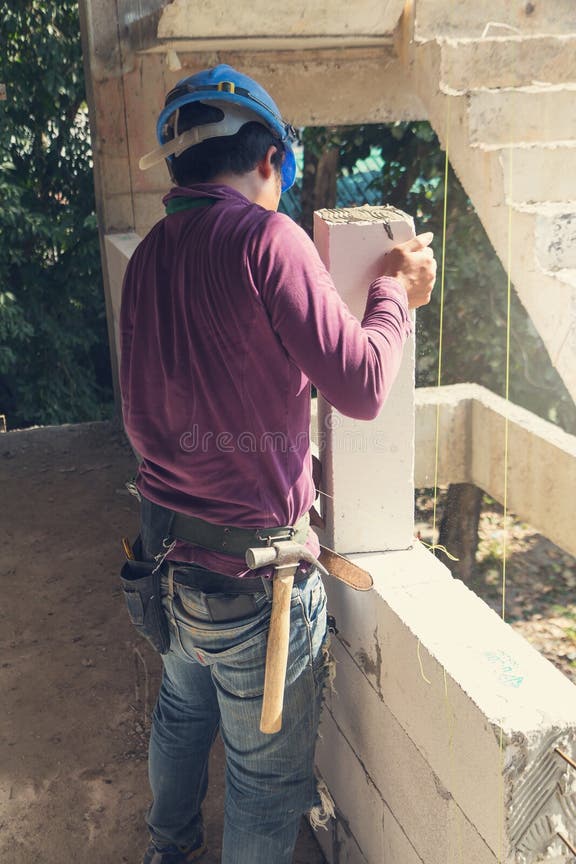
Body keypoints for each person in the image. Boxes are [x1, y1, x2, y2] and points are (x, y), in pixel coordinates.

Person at [120, 64, 436, 864]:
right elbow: (361, 385)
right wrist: (395, 294)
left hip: (168, 557)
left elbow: (145, 411)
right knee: (262, 785)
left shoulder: (151, 255)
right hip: (256, 583)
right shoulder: (269, 240)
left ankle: (166, 852)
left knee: (181, 714)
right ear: (270, 160)